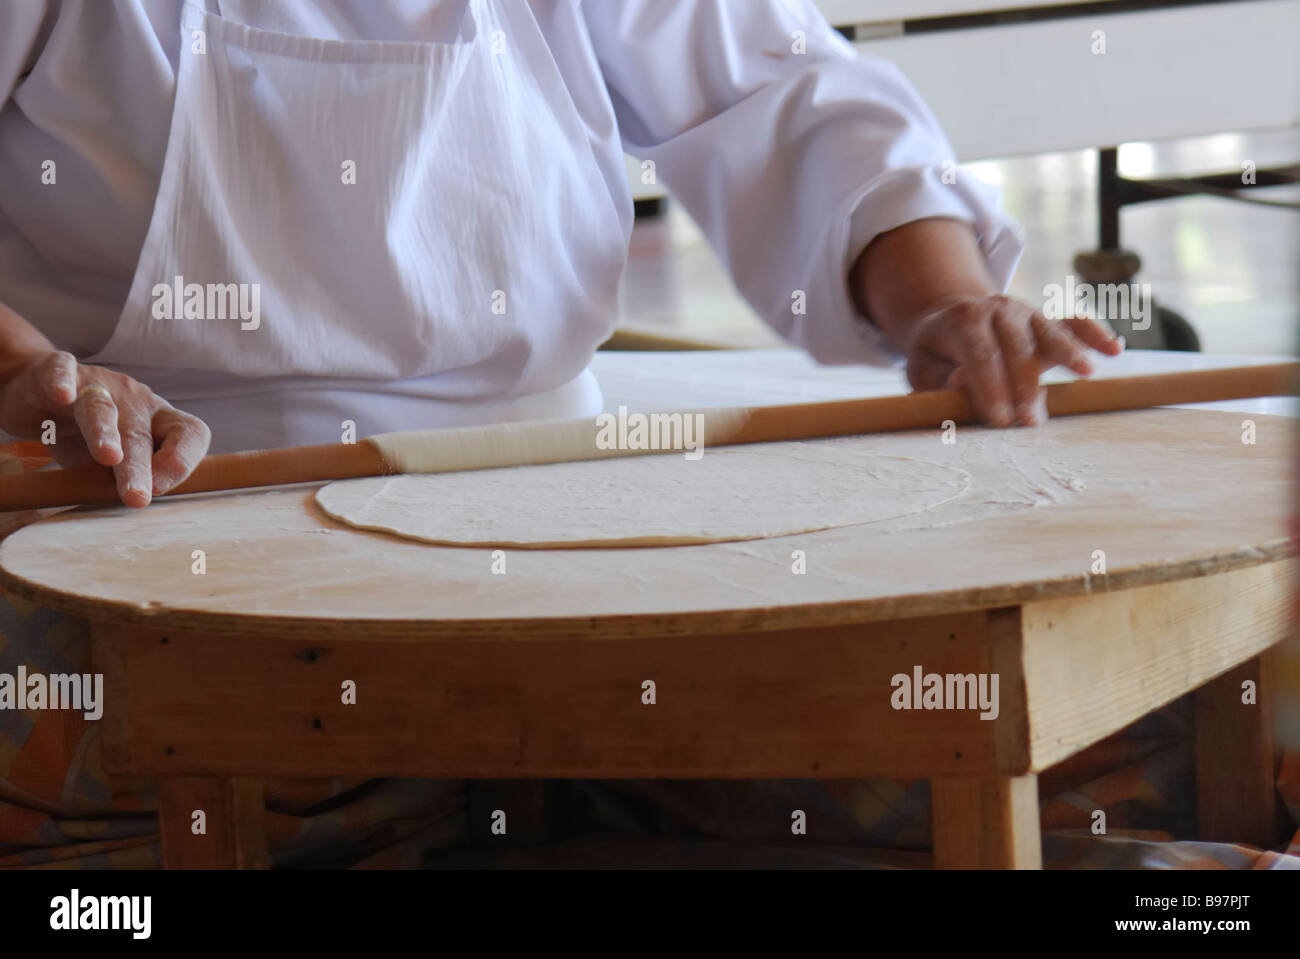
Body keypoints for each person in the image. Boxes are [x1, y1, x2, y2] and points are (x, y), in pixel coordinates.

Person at [0, 0, 1131, 867]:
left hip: (536, 501)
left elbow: (791, 100)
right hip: (140, 509)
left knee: (888, 729)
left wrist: (941, 305)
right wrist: (27, 372)